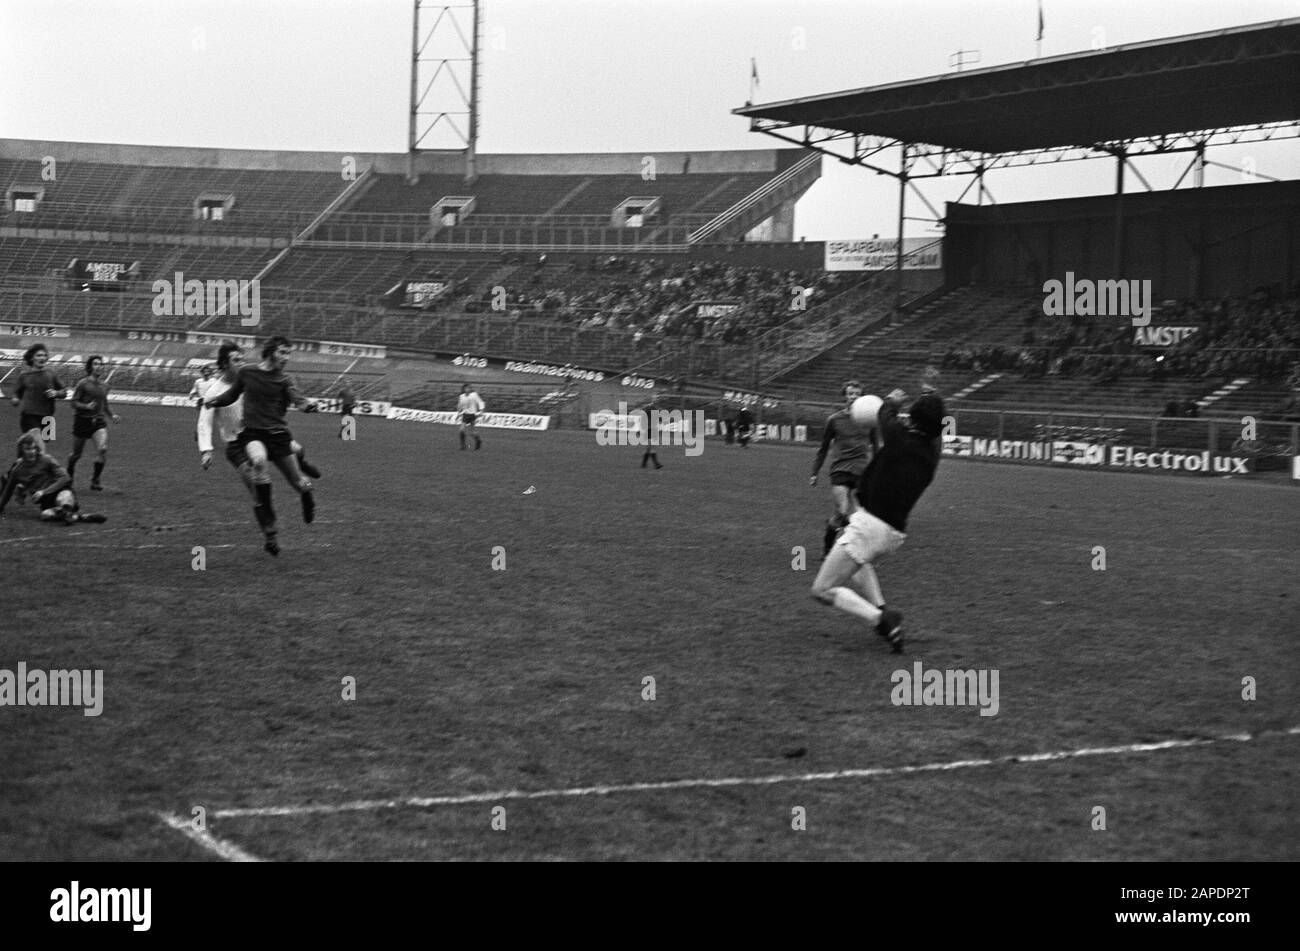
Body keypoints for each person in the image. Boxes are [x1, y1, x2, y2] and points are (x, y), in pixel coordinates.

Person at [810, 388, 946, 653]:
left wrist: (893, 400)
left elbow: (885, 412)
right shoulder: (932, 452)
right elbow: (904, 423)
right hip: (894, 533)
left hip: (871, 526)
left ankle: (881, 620)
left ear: (915, 419)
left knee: (822, 590)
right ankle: (883, 608)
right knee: (860, 562)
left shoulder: (900, 439)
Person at [205, 337, 322, 550]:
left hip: (278, 436)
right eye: (283, 352)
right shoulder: (247, 372)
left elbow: (298, 399)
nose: (286, 358)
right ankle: (268, 517)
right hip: (252, 434)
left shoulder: (285, 380)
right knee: (258, 462)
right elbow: (232, 395)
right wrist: (214, 400)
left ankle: (307, 493)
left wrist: (308, 406)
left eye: (289, 354)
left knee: (298, 482)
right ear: (270, 352)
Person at [810, 380, 877, 558]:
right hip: (840, 469)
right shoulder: (834, 420)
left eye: (857, 394)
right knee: (841, 510)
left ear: (862, 396)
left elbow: (877, 448)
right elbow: (823, 448)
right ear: (844, 396)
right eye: (850, 394)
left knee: (856, 517)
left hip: (862, 471)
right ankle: (828, 549)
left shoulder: (870, 420)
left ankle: (851, 549)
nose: (853, 397)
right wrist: (815, 472)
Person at [0, 430, 106, 524]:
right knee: (45, 515)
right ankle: (79, 517)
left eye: (33, 448)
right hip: (47, 502)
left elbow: (65, 478)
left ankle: (67, 512)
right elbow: (7, 492)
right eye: (28, 449)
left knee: (63, 498)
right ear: (21, 451)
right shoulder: (17, 470)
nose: (31, 452)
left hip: (61, 491)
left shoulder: (46, 460)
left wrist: (43, 492)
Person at [67, 355, 121, 491]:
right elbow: (73, 402)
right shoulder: (83, 383)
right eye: (96, 364)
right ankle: (68, 476)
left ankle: (95, 480)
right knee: (76, 455)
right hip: (82, 421)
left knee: (103, 449)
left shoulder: (104, 386)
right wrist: (86, 406)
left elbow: (105, 404)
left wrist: (112, 415)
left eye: (101, 364)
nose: (99, 366)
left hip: (98, 422)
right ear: (90, 367)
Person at [10, 343, 66, 438]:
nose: (42, 358)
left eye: (44, 355)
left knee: (42, 444)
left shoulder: (51, 373)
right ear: (31, 358)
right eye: (39, 355)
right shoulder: (24, 376)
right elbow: (16, 393)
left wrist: (56, 393)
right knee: (36, 441)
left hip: (48, 417)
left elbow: (64, 392)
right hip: (29, 416)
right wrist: (15, 400)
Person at [189, 365, 217, 442]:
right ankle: (201, 434)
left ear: (210, 373)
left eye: (208, 371)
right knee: (203, 419)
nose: (206, 373)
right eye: (204, 371)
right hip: (201, 402)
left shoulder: (214, 381)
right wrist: (191, 395)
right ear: (202, 373)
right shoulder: (198, 381)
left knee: (207, 419)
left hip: (211, 402)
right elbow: (194, 390)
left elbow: (217, 390)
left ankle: (201, 433)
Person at [457, 383, 485, 450]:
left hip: (472, 415)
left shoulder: (474, 395)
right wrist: (459, 412)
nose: (467, 389)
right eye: (466, 388)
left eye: (469, 388)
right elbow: (460, 405)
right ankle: (463, 445)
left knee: (471, 432)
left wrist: (481, 410)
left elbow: (480, 402)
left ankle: (478, 440)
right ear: (464, 389)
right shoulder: (462, 396)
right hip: (465, 415)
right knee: (461, 430)